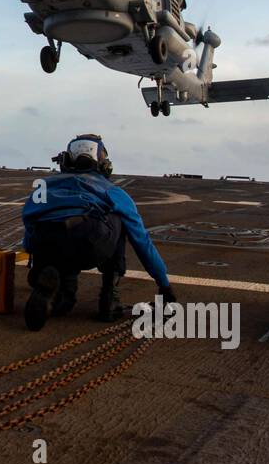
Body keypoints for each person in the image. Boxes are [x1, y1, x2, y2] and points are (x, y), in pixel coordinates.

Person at [20, 134, 177, 331]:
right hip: (87, 243)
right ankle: (109, 300)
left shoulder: (44, 186)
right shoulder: (110, 190)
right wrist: (164, 285)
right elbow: (141, 240)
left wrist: (36, 264)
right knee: (118, 218)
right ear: (102, 164)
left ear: (65, 161)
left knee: (47, 228)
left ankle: (53, 293)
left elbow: (29, 220)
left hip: (46, 245)